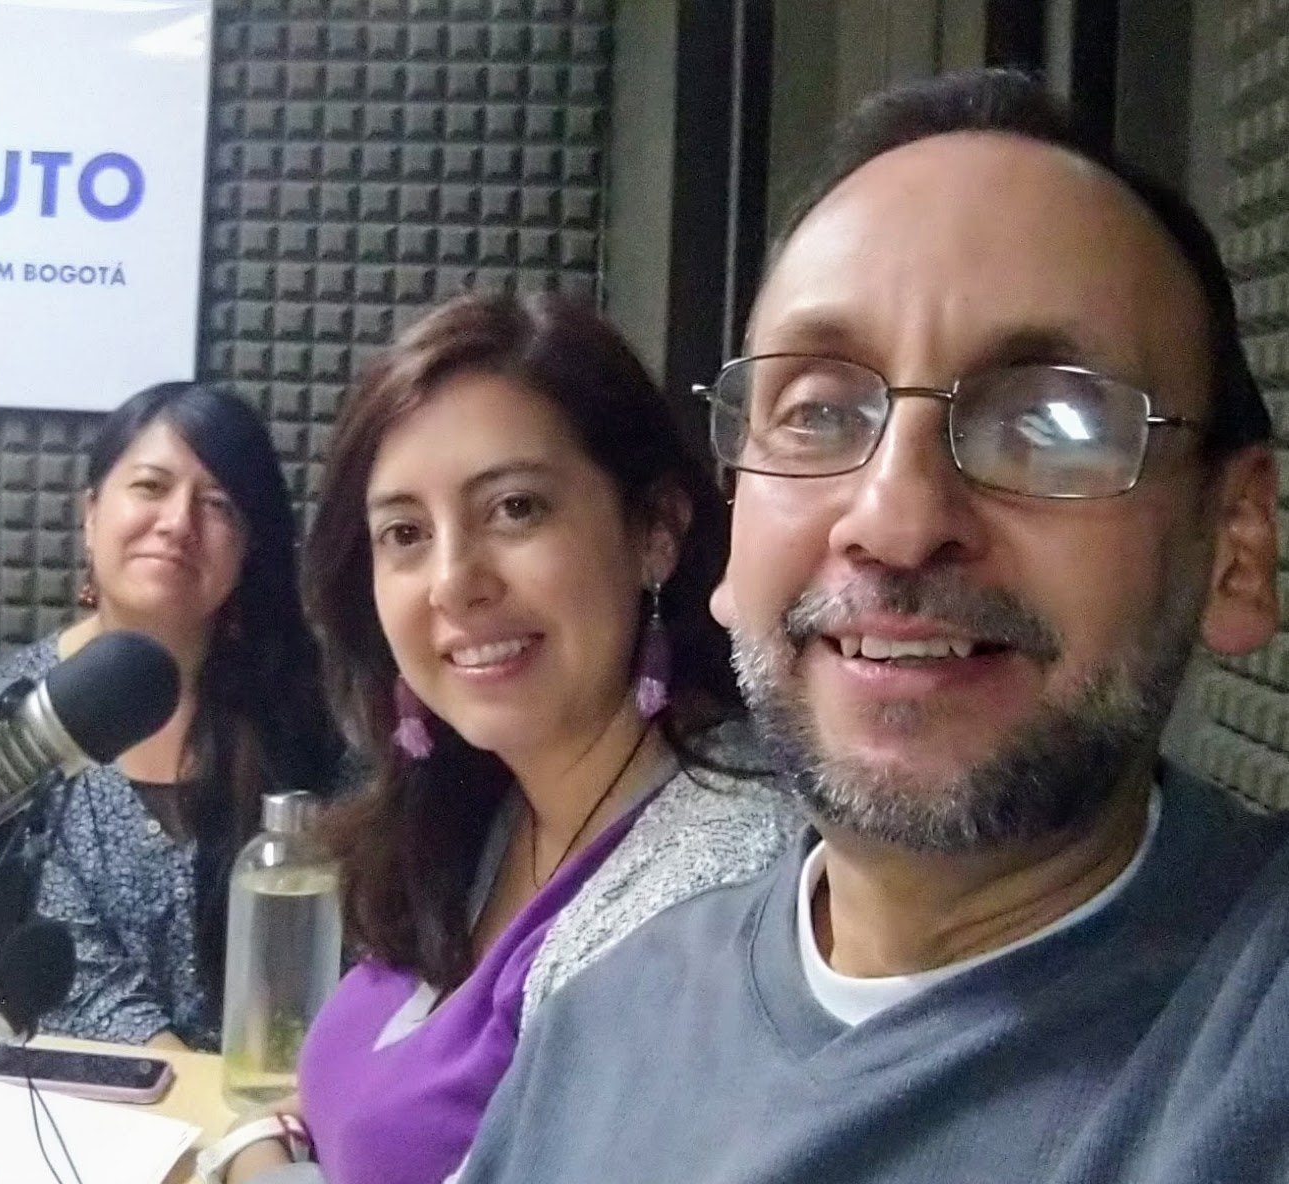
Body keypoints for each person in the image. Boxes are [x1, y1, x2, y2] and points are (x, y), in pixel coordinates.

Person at [456, 69, 1289, 1184]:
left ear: (1233, 544)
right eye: (816, 412)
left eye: (1046, 417)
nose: (896, 520)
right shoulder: (598, 1021)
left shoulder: (1244, 1055)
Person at [199, 293, 790, 1184]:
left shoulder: (725, 885)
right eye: (404, 533)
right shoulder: (489, 804)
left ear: (656, 533)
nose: (453, 582)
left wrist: (249, 1161)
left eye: (514, 509)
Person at [0, 381, 346, 1047]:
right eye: (150, 487)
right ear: (90, 512)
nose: (177, 522)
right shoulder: (8, 710)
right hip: (77, 1106)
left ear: (251, 545)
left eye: (218, 503)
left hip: (275, 1110)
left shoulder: (310, 712)